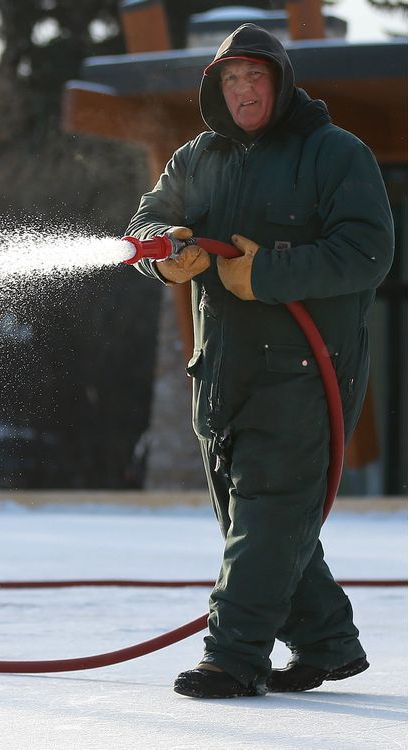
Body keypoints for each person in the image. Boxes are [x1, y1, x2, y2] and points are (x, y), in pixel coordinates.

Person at [125, 23, 395, 698]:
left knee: (270, 514)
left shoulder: (334, 153)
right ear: (216, 89)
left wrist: (266, 274)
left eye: (255, 78)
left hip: (306, 371)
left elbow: (369, 251)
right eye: (230, 80)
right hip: (221, 370)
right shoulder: (197, 158)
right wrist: (167, 255)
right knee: (255, 522)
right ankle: (327, 641)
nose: (243, 92)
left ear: (280, 82)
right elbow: (144, 227)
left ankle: (233, 657)